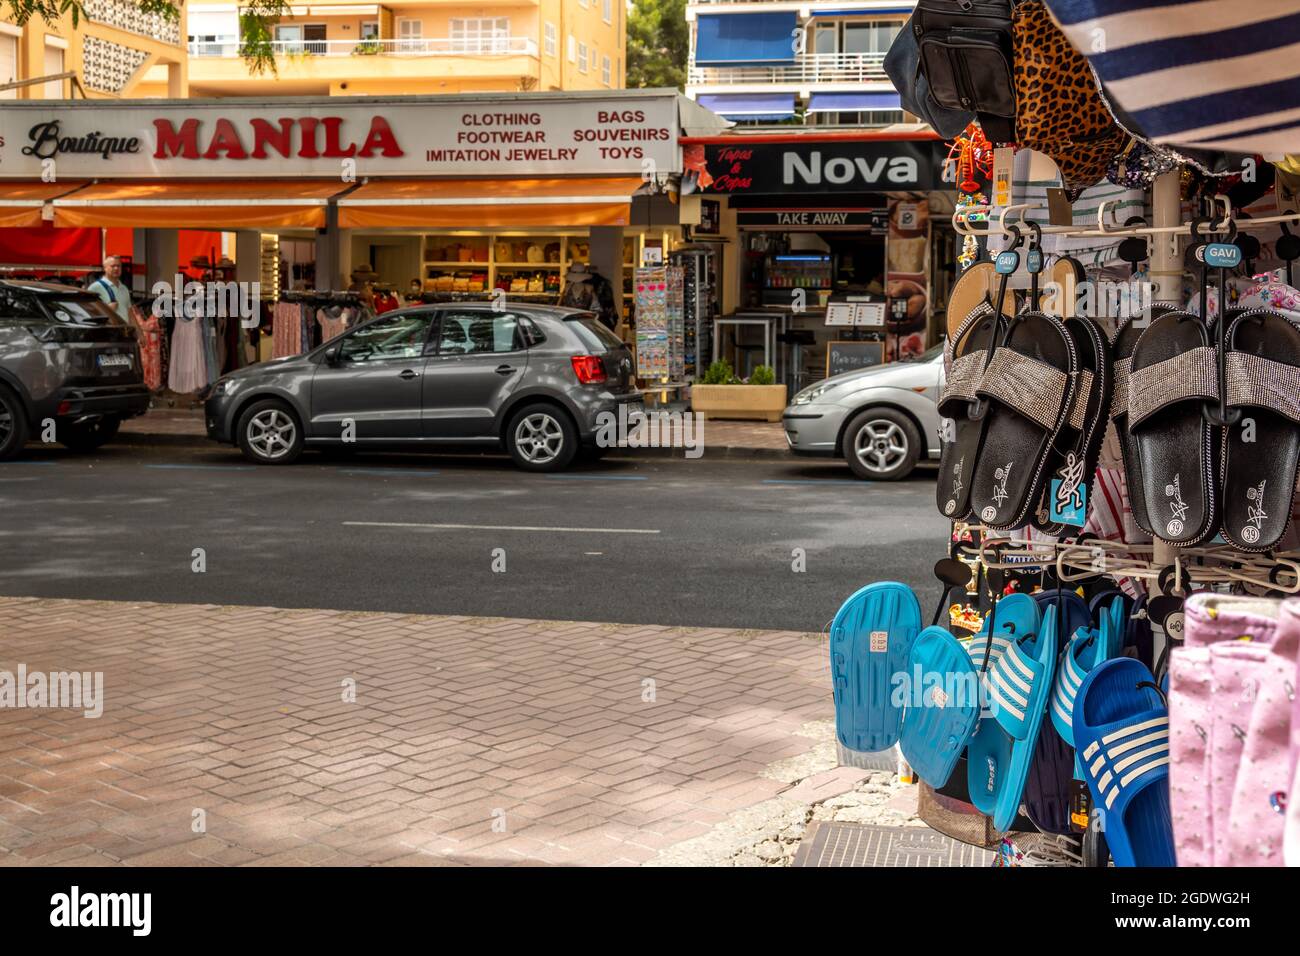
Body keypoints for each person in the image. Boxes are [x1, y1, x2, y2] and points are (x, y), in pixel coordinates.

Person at [90, 255, 132, 323]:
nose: (116, 268)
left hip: (124, 331)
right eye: (113, 266)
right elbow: (88, 312)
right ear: (105, 268)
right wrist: (108, 309)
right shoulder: (95, 287)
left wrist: (138, 331)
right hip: (107, 332)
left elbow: (130, 313)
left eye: (119, 266)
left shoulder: (124, 288)